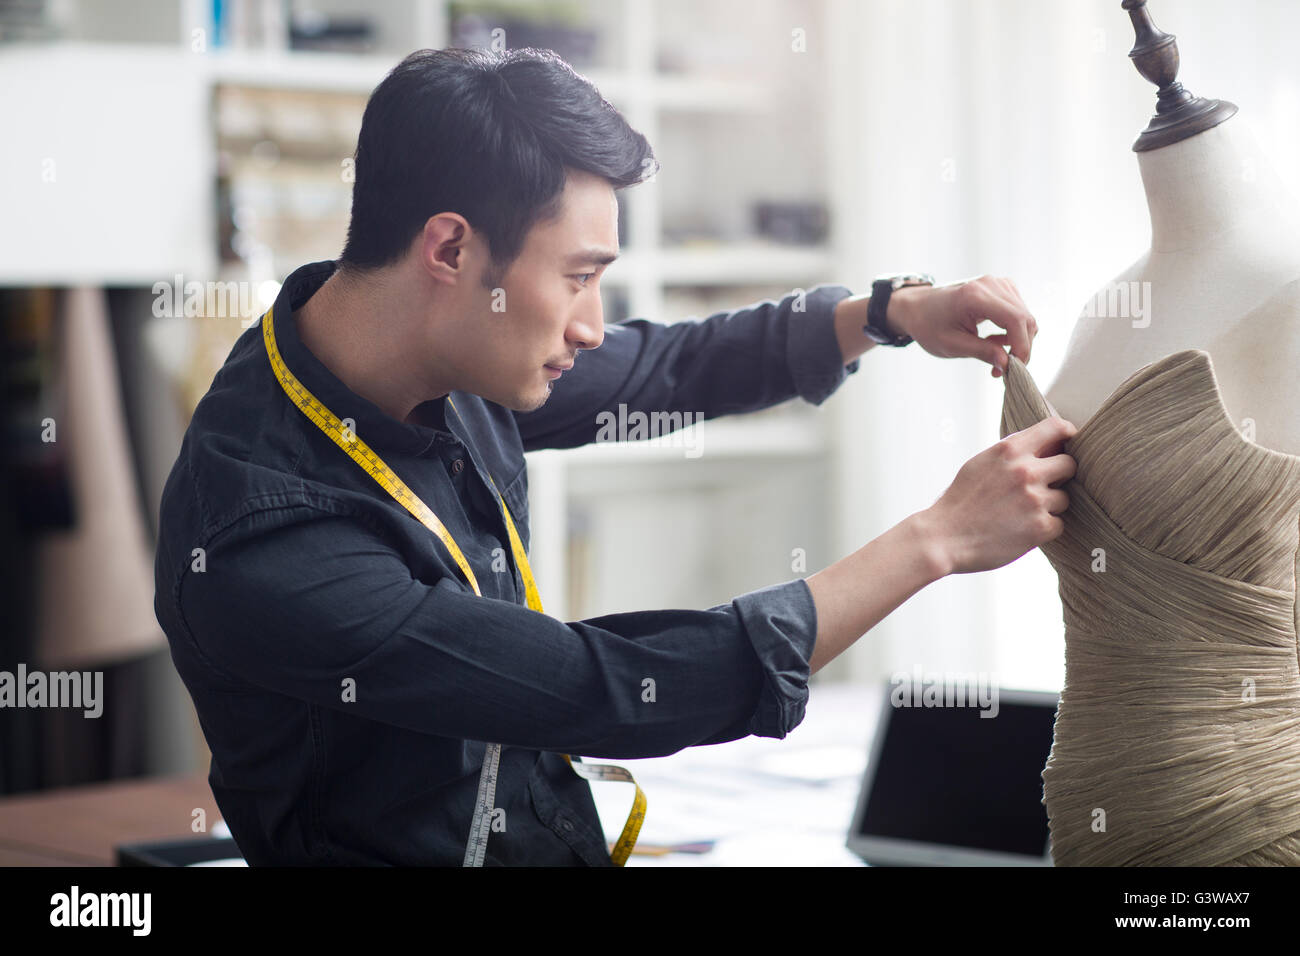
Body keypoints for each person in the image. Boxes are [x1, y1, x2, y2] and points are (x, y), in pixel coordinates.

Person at [153, 47, 1077, 866]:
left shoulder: (431, 355)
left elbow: (669, 367)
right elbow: (603, 689)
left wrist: (891, 313)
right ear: (449, 249)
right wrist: (937, 541)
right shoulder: (262, 536)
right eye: (580, 277)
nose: (593, 327)